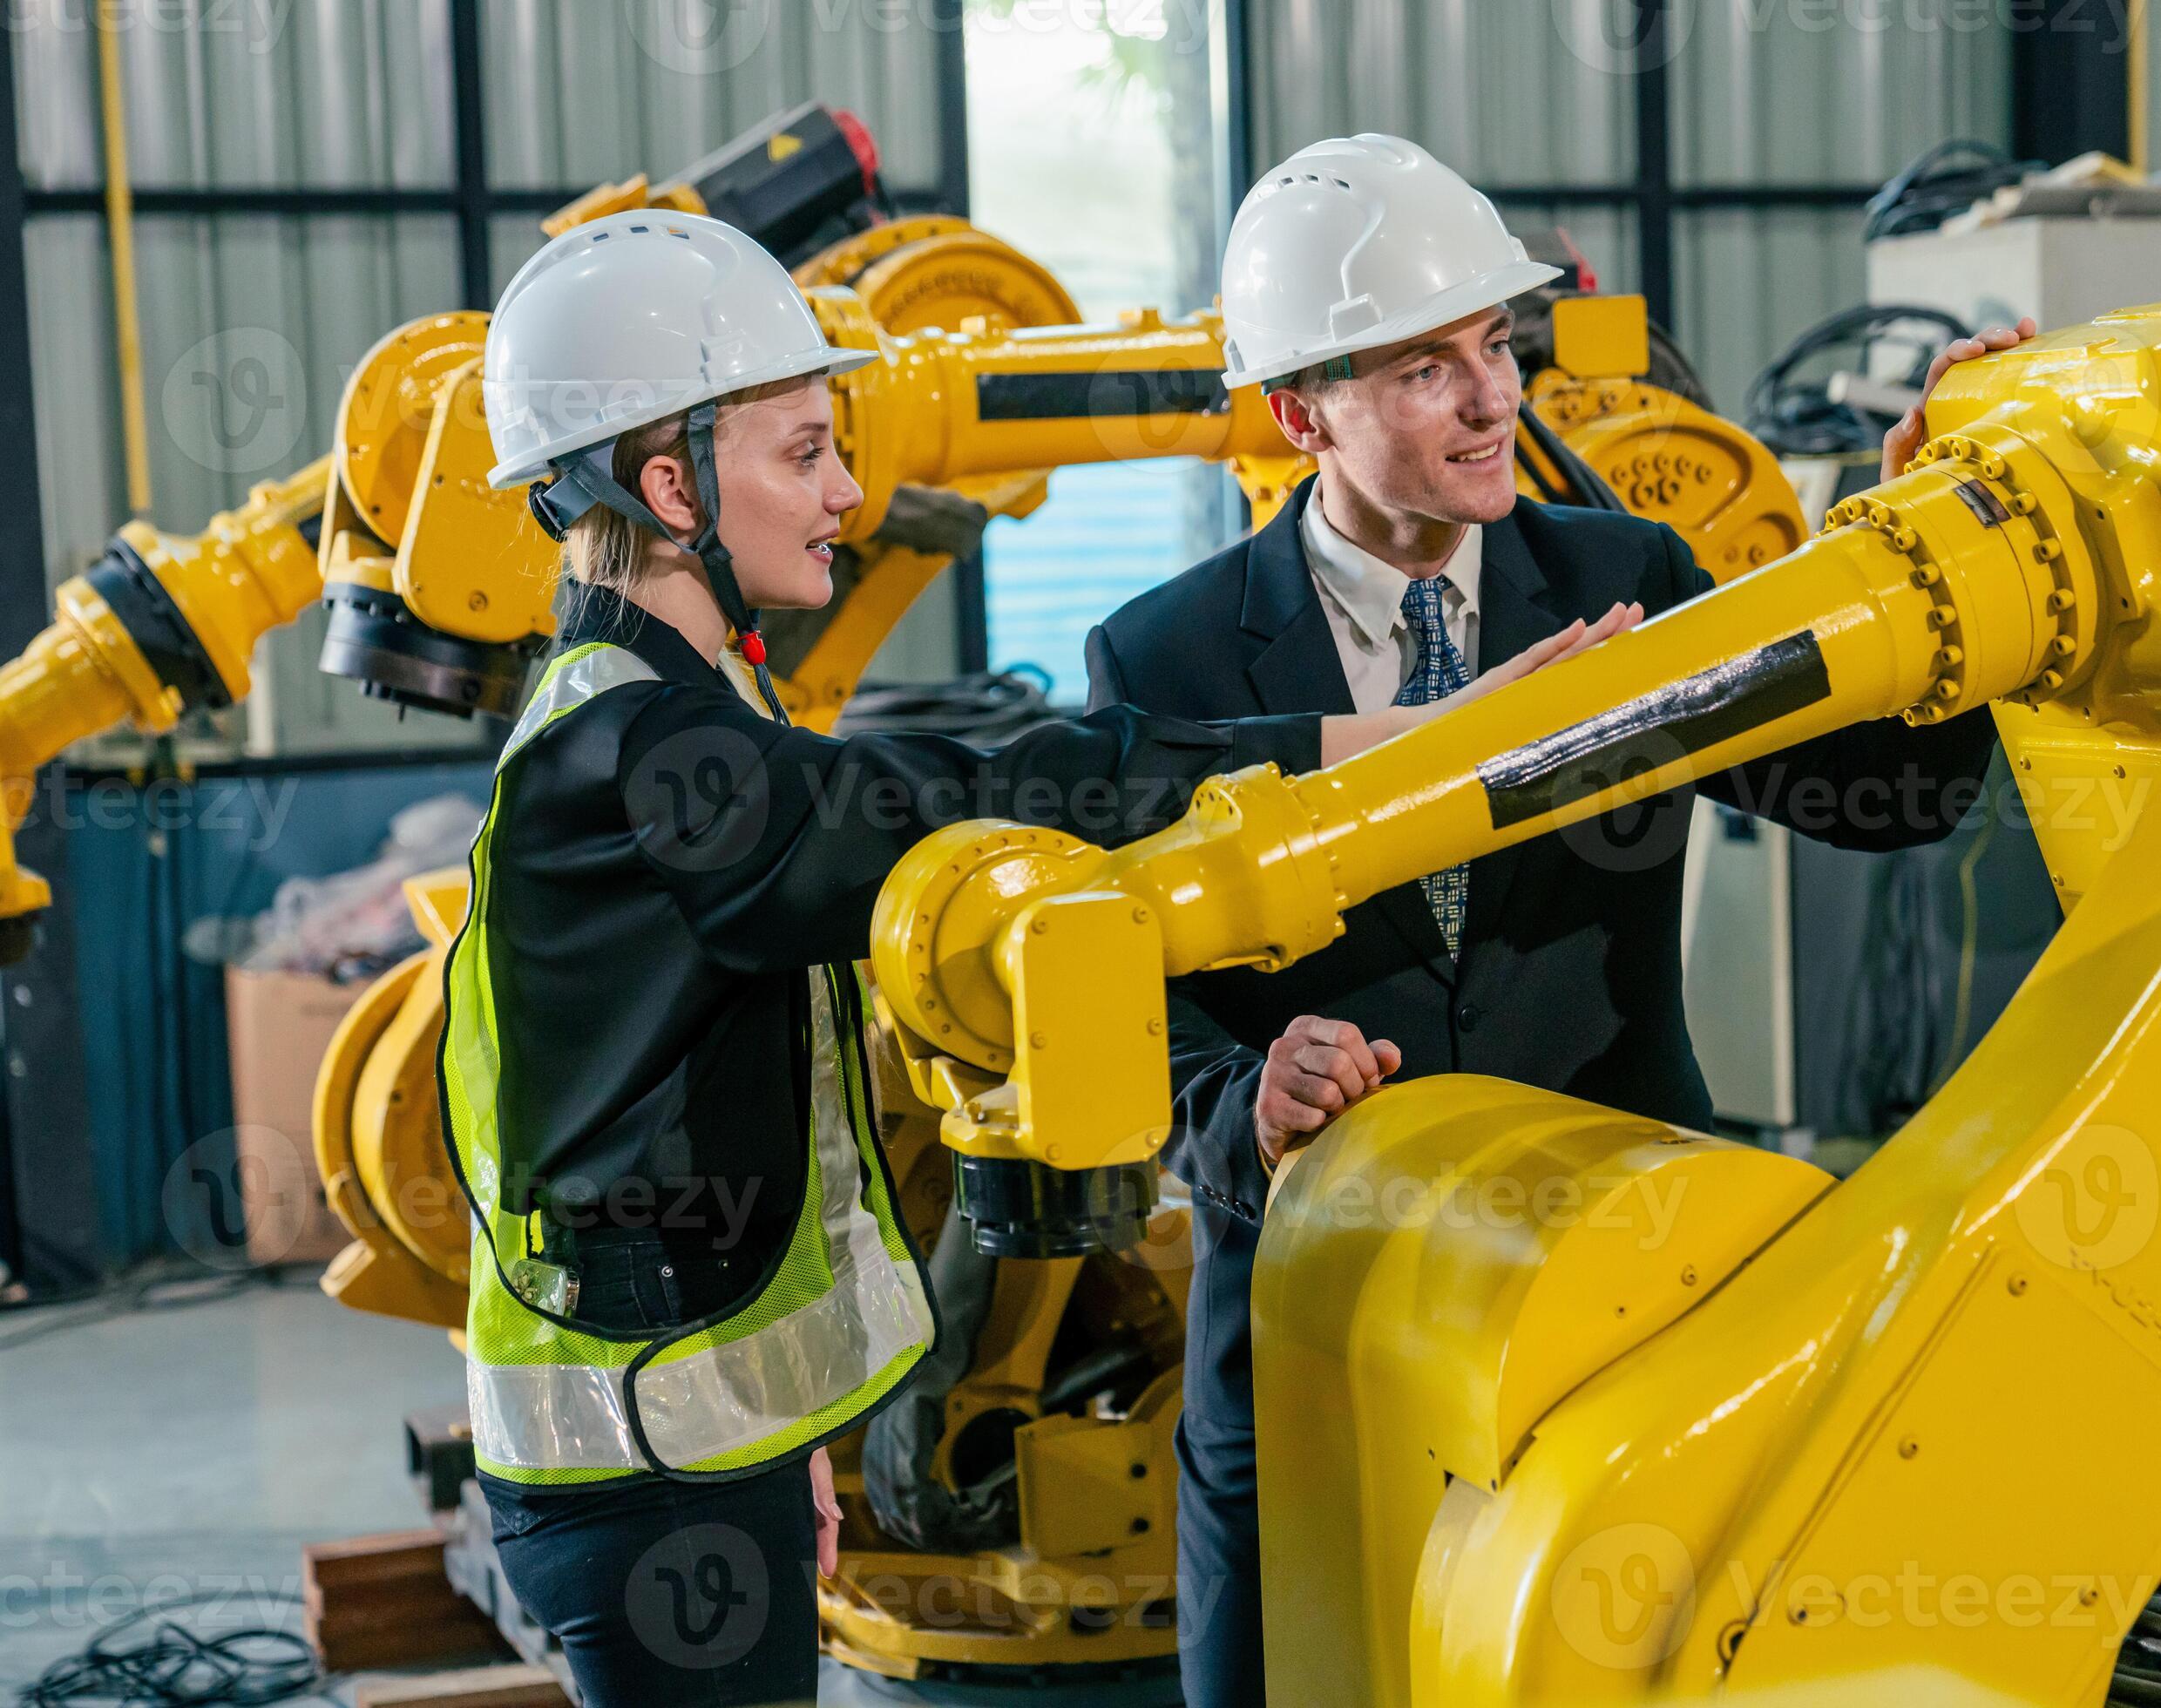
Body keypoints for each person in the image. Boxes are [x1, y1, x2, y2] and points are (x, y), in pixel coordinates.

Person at [448, 209, 1632, 1706]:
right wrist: (1399, 740)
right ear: (671, 485)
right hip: (646, 1477)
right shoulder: (645, 751)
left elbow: (648, 1116)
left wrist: (785, 1434)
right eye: (804, 453)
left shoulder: (641, 715)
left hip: (677, 1448)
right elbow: (972, 789)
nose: (850, 491)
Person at [1085, 134, 2004, 1708]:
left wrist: (1939, 540)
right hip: (1317, 1317)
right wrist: (1241, 1102)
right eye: (1430, 365)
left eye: (1498, 346)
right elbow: (1118, 991)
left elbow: (1887, 797)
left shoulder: (1626, 579)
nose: (1495, 397)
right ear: (1303, 409)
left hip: (1619, 1293)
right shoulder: (1163, 660)